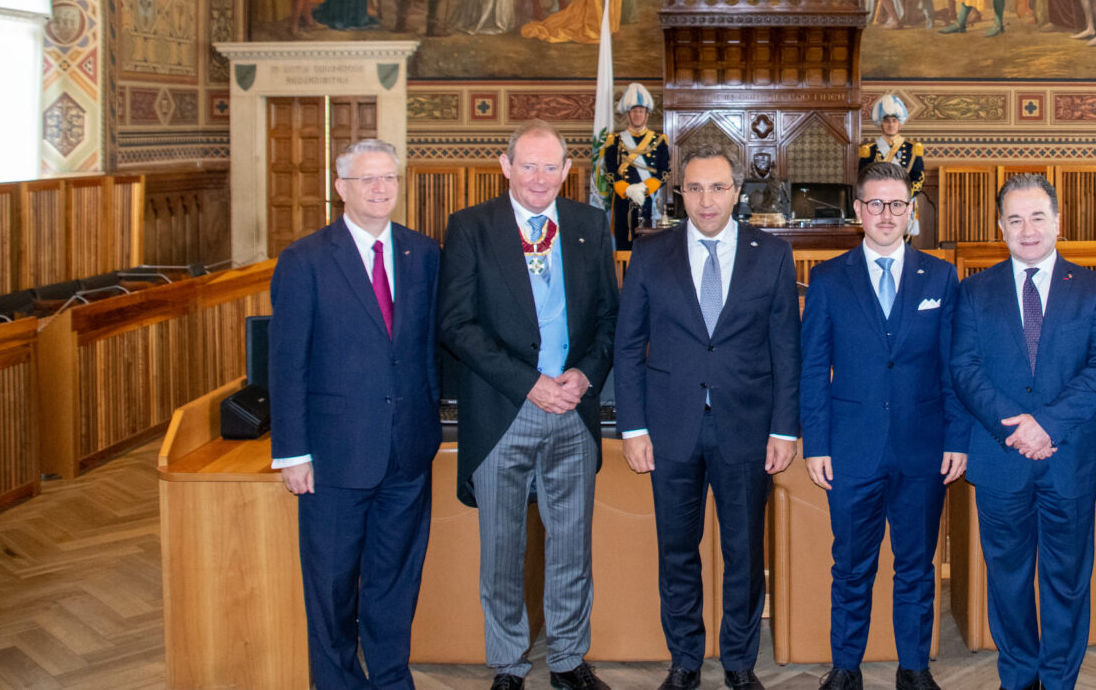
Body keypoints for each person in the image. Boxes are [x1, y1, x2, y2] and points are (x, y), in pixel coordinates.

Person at [438, 121, 619, 690]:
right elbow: (456, 325)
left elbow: (611, 322)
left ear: (569, 170)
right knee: (502, 549)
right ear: (505, 165)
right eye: (528, 165)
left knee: (571, 545)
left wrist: (584, 377)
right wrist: (528, 383)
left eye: (551, 166)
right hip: (502, 410)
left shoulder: (590, 225)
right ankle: (509, 663)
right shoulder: (471, 227)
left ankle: (567, 658)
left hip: (573, 410)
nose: (540, 178)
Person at [615, 142, 800, 690]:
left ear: (737, 192)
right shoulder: (651, 253)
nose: (706, 199)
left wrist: (784, 428)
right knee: (677, 552)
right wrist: (633, 427)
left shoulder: (772, 254)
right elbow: (628, 348)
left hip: (746, 426)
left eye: (718, 186)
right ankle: (685, 660)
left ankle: (740, 662)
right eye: (694, 187)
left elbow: (786, 348)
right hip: (670, 427)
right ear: (679, 193)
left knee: (744, 553)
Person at [269, 139, 441, 690]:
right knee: (333, 586)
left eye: (389, 178)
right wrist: (292, 453)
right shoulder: (305, 260)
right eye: (367, 179)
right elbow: (287, 364)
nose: (380, 188)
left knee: (394, 581)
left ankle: (391, 678)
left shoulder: (423, 253)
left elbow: (427, 348)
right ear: (340, 188)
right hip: (335, 457)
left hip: (406, 451)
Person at [949, 173, 1096, 690]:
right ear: (1001, 226)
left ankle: (1059, 679)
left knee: (1067, 581)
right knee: (1007, 579)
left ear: (1058, 223)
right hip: (1002, 458)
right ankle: (1019, 676)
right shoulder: (974, 291)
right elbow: (965, 368)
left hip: (1069, 455)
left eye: (1038, 217)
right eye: (1016, 219)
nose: (1028, 230)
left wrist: (1046, 425)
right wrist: (1017, 429)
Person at [799, 161, 969, 690]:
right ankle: (846, 667)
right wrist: (816, 443)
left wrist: (957, 438)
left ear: (911, 212)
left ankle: (913, 668)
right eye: (875, 203)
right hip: (850, 449)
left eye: (897, 204)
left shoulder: (940, 276)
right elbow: (812, 367)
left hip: (923, 449)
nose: (886, 214)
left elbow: (954, 365)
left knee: (917, 567)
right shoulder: (828, 278)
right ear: (858, 211)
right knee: (850, 566)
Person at [601, 82, 670, 250]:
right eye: (634, 111)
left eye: (641, 111)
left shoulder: (659, 141)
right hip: (623, 201)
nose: (637, 114)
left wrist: (644, 188)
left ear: (647, 115)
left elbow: (664, 173)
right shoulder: (614, 141)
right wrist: (627, 190)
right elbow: (610, 173)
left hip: (649, 200)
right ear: (627, 114)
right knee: (623, 244)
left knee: (649, 246)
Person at [856, 94, 926, 236]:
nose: (891, 124)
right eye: (887, 120)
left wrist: (903, 197)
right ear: (880, 123)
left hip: (903, 203)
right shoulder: (869, 150)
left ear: (900, 123)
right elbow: (864, 179)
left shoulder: (913, 148)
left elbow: (918, 178)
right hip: (878, 204)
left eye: (894, 120)